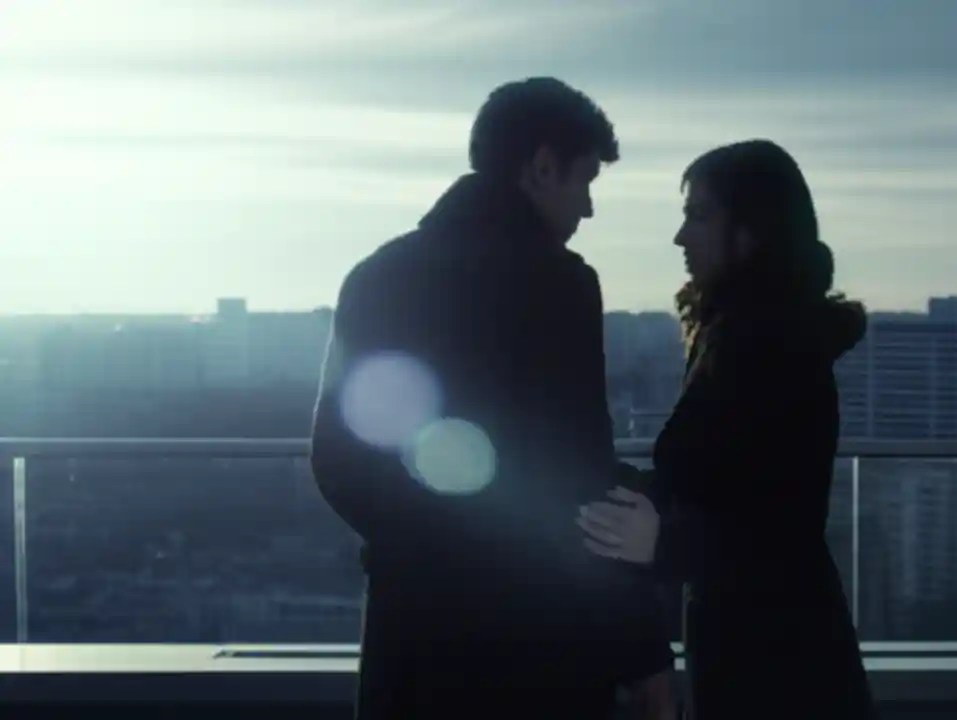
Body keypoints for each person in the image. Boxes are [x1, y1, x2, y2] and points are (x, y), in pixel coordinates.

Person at [310, 77, 674, 719]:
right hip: (539, 633)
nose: (587, 209)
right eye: (584, 181)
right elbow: (581, 478)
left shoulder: (376, 276)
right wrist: (642, 650)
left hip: (415, 633)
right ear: (540, 167)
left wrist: (421, 553)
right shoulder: (559, 285)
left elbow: (338, 463)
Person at [577, 140, 877, 718]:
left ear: (752, 229)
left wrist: (664, 541)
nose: (679, 237)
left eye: (698, 215)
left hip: (777, 665)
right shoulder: (747, 334)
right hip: (771, 649)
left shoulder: (766, 346)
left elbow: (778, 525)